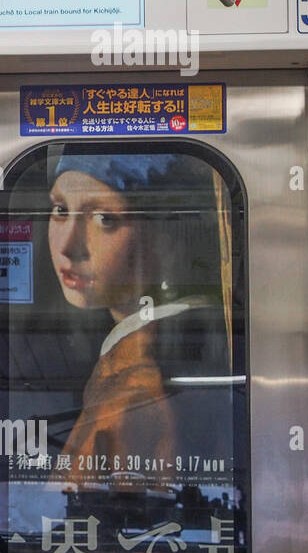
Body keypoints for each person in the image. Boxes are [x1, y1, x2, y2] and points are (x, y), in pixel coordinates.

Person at [44, 153, 233, 478]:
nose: (68, 245)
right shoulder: (202, 332)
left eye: (105, 218)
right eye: (61, 210)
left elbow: (68, 509)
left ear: (167, 236)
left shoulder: (131, 378)